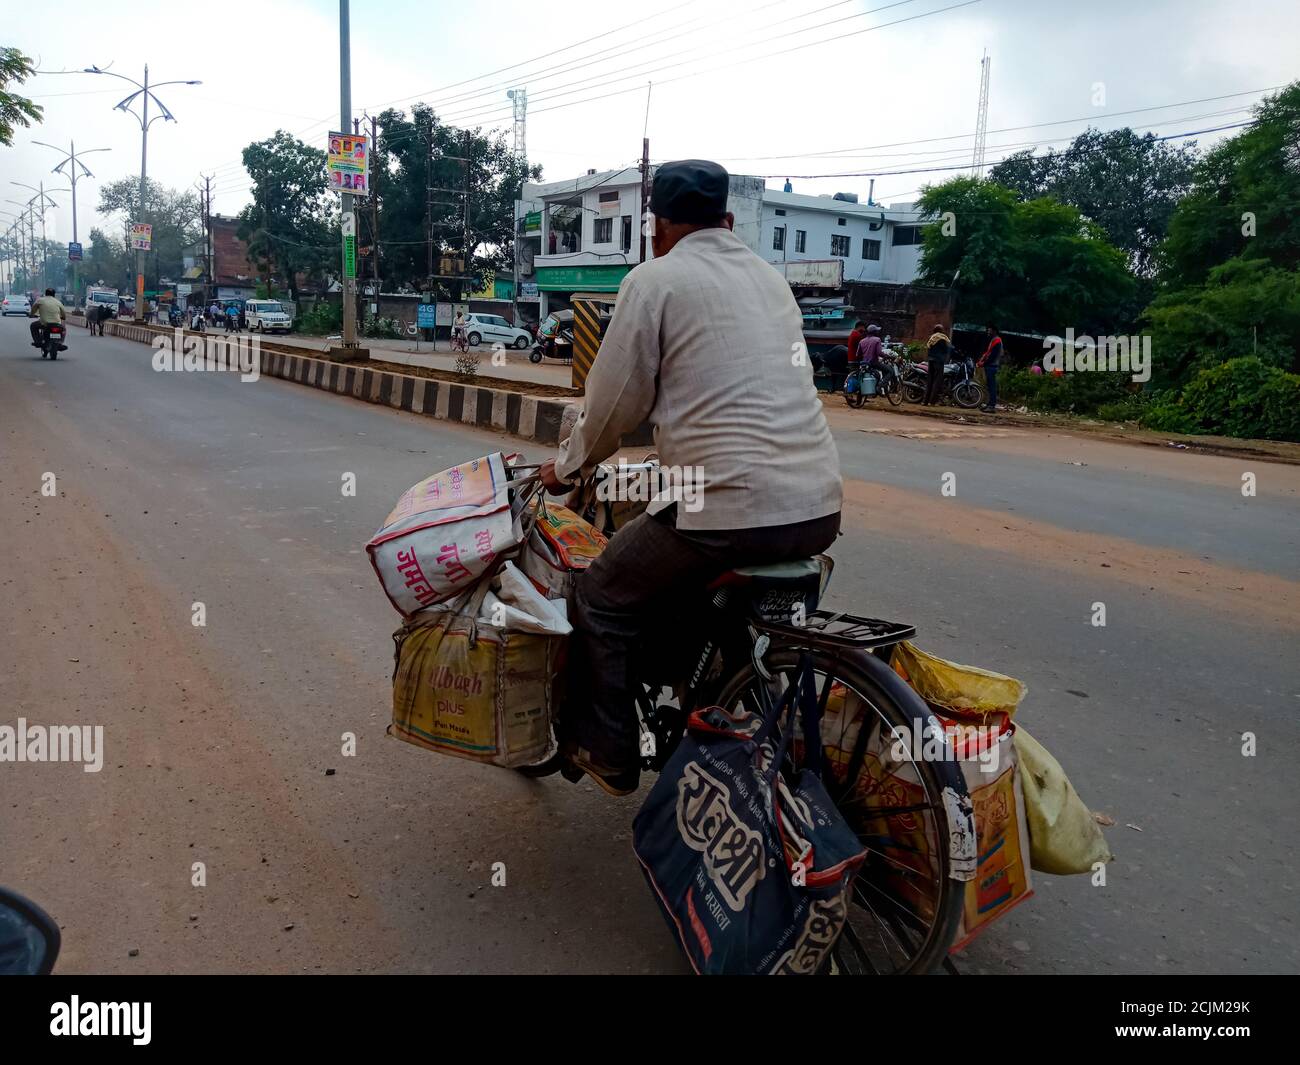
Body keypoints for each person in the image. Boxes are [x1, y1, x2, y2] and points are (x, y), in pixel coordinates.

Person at [539, 159, 842, 795]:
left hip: (725, 507)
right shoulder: (771, 279)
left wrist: (570, 467)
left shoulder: (655, 281)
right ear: (728, 221)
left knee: (600, 594)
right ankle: (725, 700)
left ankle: (611, 752)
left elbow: (614, 404)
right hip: (816, 505)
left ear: (658, 228)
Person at [923, 323, 950, 405]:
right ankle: (932, 401)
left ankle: (925, 401)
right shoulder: (942, 338)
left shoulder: (931, 338)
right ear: (941, 330)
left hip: (931, 361)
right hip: (939, 361)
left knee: (930, 381)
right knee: (937, 381)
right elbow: (946, 350)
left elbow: (928, 349)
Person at [978, 323, 1002, 413]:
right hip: (990, 366)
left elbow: (992, 356)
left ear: (994, 331)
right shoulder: (994, 340)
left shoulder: (997, 341)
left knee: (992, 387)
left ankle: (991, 406)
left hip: (992, 366)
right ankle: (989, 404)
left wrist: (983, 363)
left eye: (989, 330)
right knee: (989, 387)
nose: (988, 332)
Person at [856, 323, 884, 390]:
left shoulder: (862, 341)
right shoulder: (877, 339)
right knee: (889, 370)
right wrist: (887, 356)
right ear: (874, 332)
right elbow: (879, 353)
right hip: (874, 363)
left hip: (864, 363)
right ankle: (880, 386)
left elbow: (857, 354)